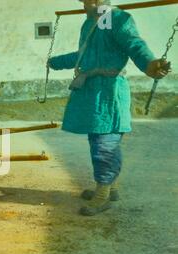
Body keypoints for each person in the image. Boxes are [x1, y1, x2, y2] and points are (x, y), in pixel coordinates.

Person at [48, 0, 171, 216]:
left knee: (105, 144)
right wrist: (56, 62)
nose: (83, 4)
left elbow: (135, 45)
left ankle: (102, 195)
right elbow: (85, 54)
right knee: (99, 139)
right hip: (92, 92)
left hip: (108, 93)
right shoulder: (93, 22)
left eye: (86, 1)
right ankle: (111, 188)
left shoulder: (116, 18)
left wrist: (151, 64)